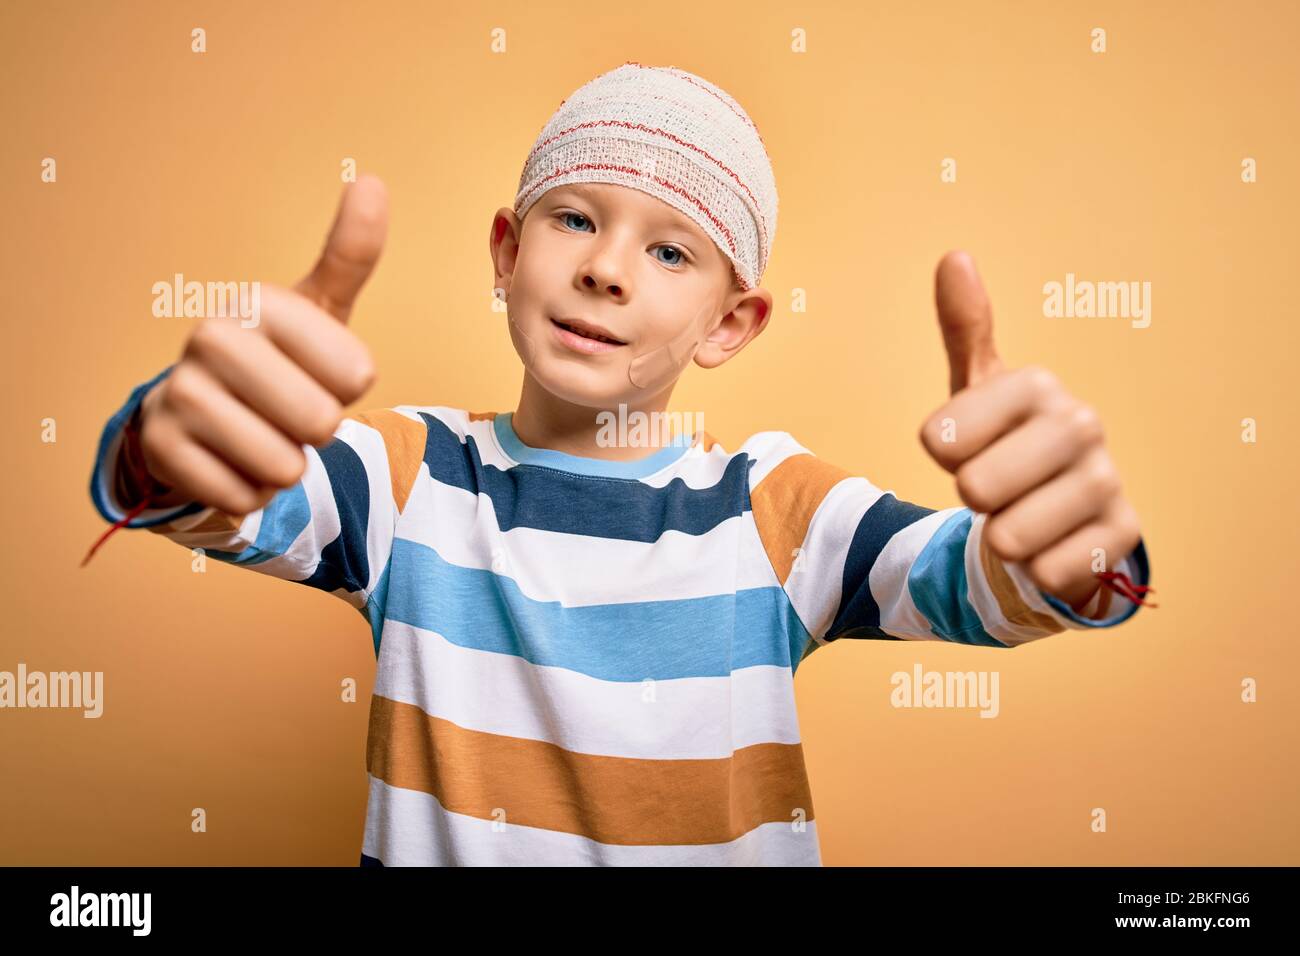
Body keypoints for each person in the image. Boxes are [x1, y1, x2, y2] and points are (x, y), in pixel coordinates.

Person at [84, 62, 1153, 866]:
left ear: (730, 322)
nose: (603, 268)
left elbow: (982, 585)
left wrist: (1076, 551)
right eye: (576, 218)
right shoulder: (407, 475)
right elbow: (210, 498)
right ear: (507, 254)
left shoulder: (772, 508)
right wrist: (176, 441)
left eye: (669, 249)